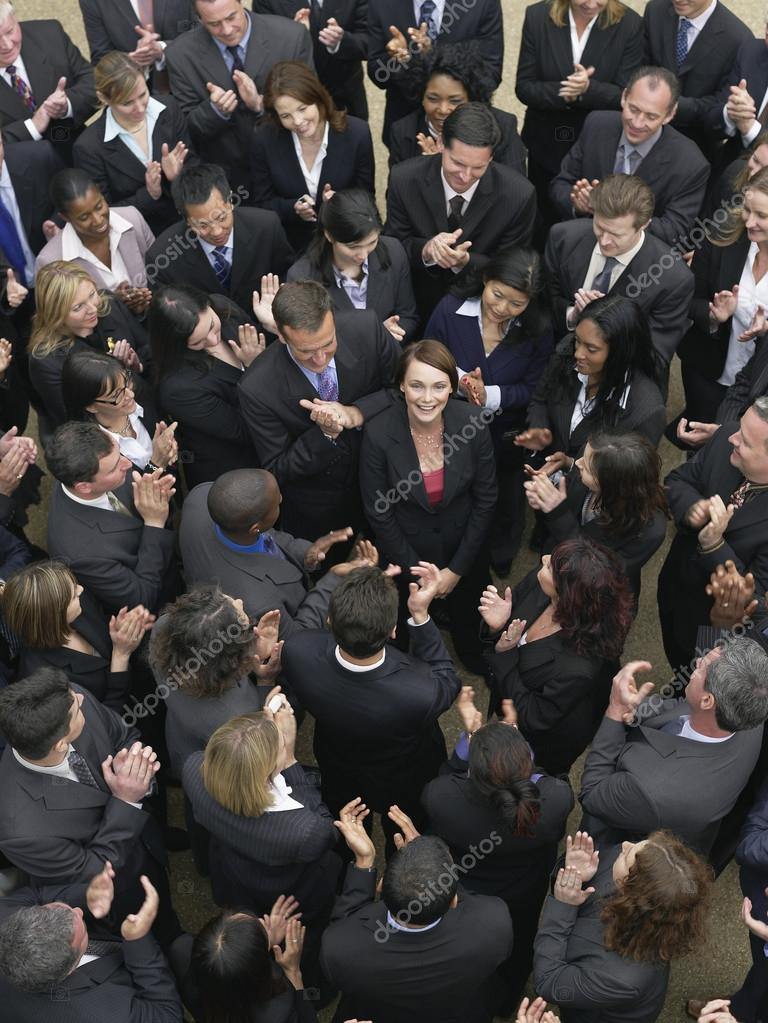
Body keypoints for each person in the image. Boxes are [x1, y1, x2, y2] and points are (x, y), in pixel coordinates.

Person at [281, 563, 462, 847]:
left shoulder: (297, 651)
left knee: (345, 824)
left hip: (337, 761)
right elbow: (448, 680)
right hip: (402, 777)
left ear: (330, 620)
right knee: (402, 832)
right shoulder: (421, 691)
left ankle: (349, 865)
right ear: (393, 630)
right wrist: (420, 615)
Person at [0, 668, 178, 943]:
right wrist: (127, 799)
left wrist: (132, 762)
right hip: (119, 891)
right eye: (76, 708)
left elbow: (123, 734)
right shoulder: (21, 833)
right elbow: (94, 870)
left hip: (147, 840)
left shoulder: (68, 700)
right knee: (158, 934)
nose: (82, 699)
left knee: (166, 904)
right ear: (60, 743)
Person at [422, 691, 574, 1005]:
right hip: (524, 888)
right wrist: (517, 750)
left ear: (474, 774)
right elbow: (540, 780)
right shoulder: (557, 798)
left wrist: (468, 742)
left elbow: (447, 777)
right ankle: (508, 1000)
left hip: (467, 887)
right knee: (519, 946)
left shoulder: (442, 798)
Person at [359, 340, 497, 673]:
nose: (427, 397)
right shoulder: (378, 433)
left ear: (452, 386)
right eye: (417, 385)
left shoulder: (473, 422)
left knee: (468, 615)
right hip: (406, 549)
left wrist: (456, 570)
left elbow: (486, 497)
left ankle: (470, 650)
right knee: (406, 628)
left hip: (463, 546)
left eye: (438, 386)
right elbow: (379, 510)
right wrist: (415, 570)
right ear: (402, 385)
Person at [182, 706, 341, 990]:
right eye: (278, 746)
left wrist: (262, 727)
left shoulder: (194, 768)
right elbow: (328, 830)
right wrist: (292, 760)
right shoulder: (305, 832)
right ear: (266, 773)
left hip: (232, 874)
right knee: (306, 938)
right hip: (293, 894)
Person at [238, 279, 400, 542]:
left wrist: (357, 412)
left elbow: (403, 389)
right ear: (280, 334)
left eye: (328, 344)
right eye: (306, 351)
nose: (320, 359)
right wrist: (324, 435)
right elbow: (277, 469)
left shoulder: (367, 328)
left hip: (390, 480)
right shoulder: (257, 388)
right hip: (322, 506)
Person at [321, 805, 515, 1023]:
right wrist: (434, 870)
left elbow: (347, 931)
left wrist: (363, 863)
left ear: (381, 886)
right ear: (454, 900)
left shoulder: (338, 950)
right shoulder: (494, 923)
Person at [424, 247, 554, 572]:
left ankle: (502, 553)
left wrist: (489, 395)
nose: (501, 308)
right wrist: (460, 381)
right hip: (449, 426)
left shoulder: (538, 331)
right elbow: (427, 356)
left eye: (516, 303)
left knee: (505, 499)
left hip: (505, 434)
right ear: (485, 279)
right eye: (497, 295)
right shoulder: (450, 310)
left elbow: (535, 389)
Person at [579, 645, 768, 853]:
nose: (696, 663)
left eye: (700, 669)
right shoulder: (750, 711)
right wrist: (633, 709)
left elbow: (593, 792)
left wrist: (615, 710)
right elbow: (679, 708)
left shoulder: (652, 791)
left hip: (627, 829)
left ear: (707, 701)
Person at [481, 539, 633, 775]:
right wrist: (496, 627)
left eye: (551, 566)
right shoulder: (541, 581)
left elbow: (533, 716)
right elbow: (507, 629)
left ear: (568, 594)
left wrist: (505, 654)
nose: (544, 559)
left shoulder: (578, 666)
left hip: (540, 741)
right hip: (509, 698)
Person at [534, 828, 712, 1023]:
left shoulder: (621, 980)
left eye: (627, 856)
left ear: (634, 895)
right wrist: (574, 873)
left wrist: (564, 903)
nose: (625, 845)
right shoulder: (651, 894)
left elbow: (548, 982)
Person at [385, 101, 537, 322]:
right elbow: (391, 247)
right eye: (457, 163)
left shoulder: (518, 195)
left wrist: (466, 262)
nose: (465, 176)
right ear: (440, 144)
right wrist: (426, 250)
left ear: (491, 158)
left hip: (483, 312)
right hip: (416, 306)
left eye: (478, 168)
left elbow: (513, 266)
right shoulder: (404, 179)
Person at [545, 173, 694, 377]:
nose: (605, 241)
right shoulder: (562, 238)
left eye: (616, 235)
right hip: (555, 367)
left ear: (644, 225)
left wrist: (608, 327)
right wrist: (573, 315)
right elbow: (544, 303)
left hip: (618, 381)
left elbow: (655, 358)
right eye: (599, 227)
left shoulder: (673, 279)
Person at [179, 469, 355, 638]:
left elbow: (269, 536)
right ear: (255, 527)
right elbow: (298, 635)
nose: (280, 498)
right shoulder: (258, 605)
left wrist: (306, 553)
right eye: (276, 503)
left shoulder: (200, 498)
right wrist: (333, 580)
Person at [658, 399, 768, 670]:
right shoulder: (726, 438)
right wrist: (693, 507)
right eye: (739, 429)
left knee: (689, 677)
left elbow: (757, 600)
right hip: (674, 585)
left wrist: (713, 545)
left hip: (711, 629)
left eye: (745, 441)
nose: (731, 437)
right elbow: (677, 480)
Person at [549, 65, 711, 247]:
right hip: (582, 245)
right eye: (633, 109)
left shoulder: (690, 163)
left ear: (669, 115)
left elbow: (674, 231)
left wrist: (612, 215)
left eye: (651, 116)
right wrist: (578, 204)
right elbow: (560, 185)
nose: (637, 122)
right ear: (624, 97)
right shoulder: (596, 125)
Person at [0, 864, 183, 1023]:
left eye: (64, 908)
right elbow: (167, 1014)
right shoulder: (108, 1016)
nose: (79, 911)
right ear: (70, 969)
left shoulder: (4, 914)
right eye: (82, 931)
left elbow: (34, 894)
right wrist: (139, 940)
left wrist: (87, 896)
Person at [515, 0, 644, 225]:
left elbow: (626, 95)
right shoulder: (537, 17)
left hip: (597, 149)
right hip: (545, 146)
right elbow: (524, 87)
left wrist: (588, 90)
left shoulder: (630, 24)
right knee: (540, 220)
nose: (591, 4)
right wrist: (566, 93)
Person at [165, 0, 313, 194]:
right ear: (199, 19)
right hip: (228, 181)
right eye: (214, 24)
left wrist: (260, 104)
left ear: (241, 3)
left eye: (231, 17)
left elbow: (311, 103)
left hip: (289, 168)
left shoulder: (290, 36)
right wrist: (215, 111)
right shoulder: (180, 55)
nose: (226, 30)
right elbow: (186, 128)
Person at [515, 296, 666, 476]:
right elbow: (540, 399)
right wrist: (539, 429)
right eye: (578, 340)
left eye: (591, 349)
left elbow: (628, 479)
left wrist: (571, 465)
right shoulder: (566, 352)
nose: (578, 353)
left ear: (621, 353)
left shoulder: (646, 411)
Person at [45, 421, 178, 615]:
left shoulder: (85, 465)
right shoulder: (81, 556)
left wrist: (154, 466)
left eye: (120, 452)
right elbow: (142, 599)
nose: (128, 463)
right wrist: (154, 523)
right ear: (84, 486)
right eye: (115, 466)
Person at [149, 585, 282, 778]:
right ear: (232, 661)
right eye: (240, 615)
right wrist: (265, 680)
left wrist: (251, 651)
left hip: (181, 741)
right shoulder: (239, 715)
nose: (240, 602)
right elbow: (258, 738)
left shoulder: (164, 627)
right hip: (218, 766)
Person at [676, 166, 768, 430]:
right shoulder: (720, 237)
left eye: (762, 215)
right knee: (698, 442)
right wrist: (714, 315)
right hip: (707, 371)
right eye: (748, 210)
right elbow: (689, 299)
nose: (749, 222)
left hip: (761, 386)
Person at [250, 60, 375, 254]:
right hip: (291, 248)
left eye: (302, 109)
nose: (298, 122)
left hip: (344, 246)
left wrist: (340, 203)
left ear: (318, 98)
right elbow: (262, 203)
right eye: (286, 116)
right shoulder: (264, 140)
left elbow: (366, 196)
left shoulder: (357, 133)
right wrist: (293, 208)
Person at [524, 430, 668, 596]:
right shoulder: (593, 464)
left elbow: (598, 574)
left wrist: (559, 514)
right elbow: (569, 487)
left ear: (611, 485)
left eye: (586, 466)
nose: (577, 463)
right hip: (552, 563)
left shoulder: (650, 530)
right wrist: (545, 495)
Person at [148, 284, 261, 488]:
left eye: (211, 326)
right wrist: (256, 369)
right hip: (238, 472)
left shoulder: (223, 307)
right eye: (197, 342)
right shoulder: (178, 388)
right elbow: (245, 430)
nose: (212, 339)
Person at [146, 162, 293, 319]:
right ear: (185, 219)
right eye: (202, 225)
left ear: (230, 201)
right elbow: (168, 318)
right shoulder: (163, 258)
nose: (216, 231)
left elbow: (288, 277)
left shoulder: (266, 227)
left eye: (221, 218)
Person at [1, 559, 153, 710]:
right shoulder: (41, 681)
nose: (80, 589)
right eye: (72, 594)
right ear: (53, 616)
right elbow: (102, 722)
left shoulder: (79, 608)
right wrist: (121, 654)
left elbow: (104, 623)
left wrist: (125, 627)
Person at [72, 51, 191, 236]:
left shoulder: (169, 108)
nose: (140, 107)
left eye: (143, 94)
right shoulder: (88, 147)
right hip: (143, 237)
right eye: (127, 103)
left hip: (190, 221)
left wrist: (177, 176)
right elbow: (104, 213)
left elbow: (197, 164)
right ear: (103, 98)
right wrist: (150, 194)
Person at [27, 261, 150, 429]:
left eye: (92, 294)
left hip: (149, 408)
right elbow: (74, 419)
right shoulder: (47, 360)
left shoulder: (110, 305)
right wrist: (117, 373)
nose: (93, 308)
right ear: (56, 314)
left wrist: (138, 366)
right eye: (78, 307)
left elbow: (148, 349)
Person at [287, 188, 419, 343]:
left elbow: (409, 316)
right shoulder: (302, 276)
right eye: (353, 247)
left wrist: (392, 332)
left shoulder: (393, 251)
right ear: (329, 235)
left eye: (371, 243)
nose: (363, 255)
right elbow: (309, 338)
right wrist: (374, 335)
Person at [366, 0, 504, 144]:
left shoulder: (483, 4)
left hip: (466, 133)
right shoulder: (380, 4)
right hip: (406, 133)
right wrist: (401, 61)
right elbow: (378, 76)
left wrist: (432, 56)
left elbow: (490, 74)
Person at [389, 41, 526, 174]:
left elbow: (516, 193)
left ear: (472, 98)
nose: (443, 110)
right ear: (421, 96)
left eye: (455, 101)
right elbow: (396, 194)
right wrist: (431, 171)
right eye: (433, 99)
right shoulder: (403, 132)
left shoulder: (503, 127)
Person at [642, 0, 752, 159]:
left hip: (694, 148)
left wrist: (670, 104)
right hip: (641, 129)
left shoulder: (738, 38)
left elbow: (720, 104)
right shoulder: (655, 10)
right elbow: (640, 67)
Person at [174, 900, 315, 1023]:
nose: (261, 921)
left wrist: (259, 946)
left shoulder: (180, 952)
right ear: (261, 973)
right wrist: (293, 971)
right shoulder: (280, 1012)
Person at [36, 169, 155, 310]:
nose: (98, 220)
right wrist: (111, 305)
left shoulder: (132, 218)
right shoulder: (50, 263)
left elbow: (161, 273)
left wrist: (145, 299)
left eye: (99, 206)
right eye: (84, 217)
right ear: (65, 218)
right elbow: (57, 321)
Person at [61, 348, 178, 474]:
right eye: (117, 395)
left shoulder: (138, 390)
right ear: (91, 407)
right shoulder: (91, 451)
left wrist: (171, 444)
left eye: (127, 382)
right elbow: (126, 491)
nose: (130, 395)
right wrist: (156, 464)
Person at [0, 4, 98, 150]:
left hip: (76, 149)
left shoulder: (49, 34)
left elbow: (94, 82)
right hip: (16, 167)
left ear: (15, 19)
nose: (6, 45)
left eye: (10, 31)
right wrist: (32, 127)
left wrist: (67, 105)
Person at [253, 0, 369, 120]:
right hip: (295, 105)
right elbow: (265, 52)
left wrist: (341, 42)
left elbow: (371, 41)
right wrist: (292, 36)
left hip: (346, 100)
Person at [78, 0, 195, 89]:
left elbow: (205, 29)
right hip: (139, 100)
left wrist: (162, 49)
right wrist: (130, 62)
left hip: (194, 82)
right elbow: (101, 60)